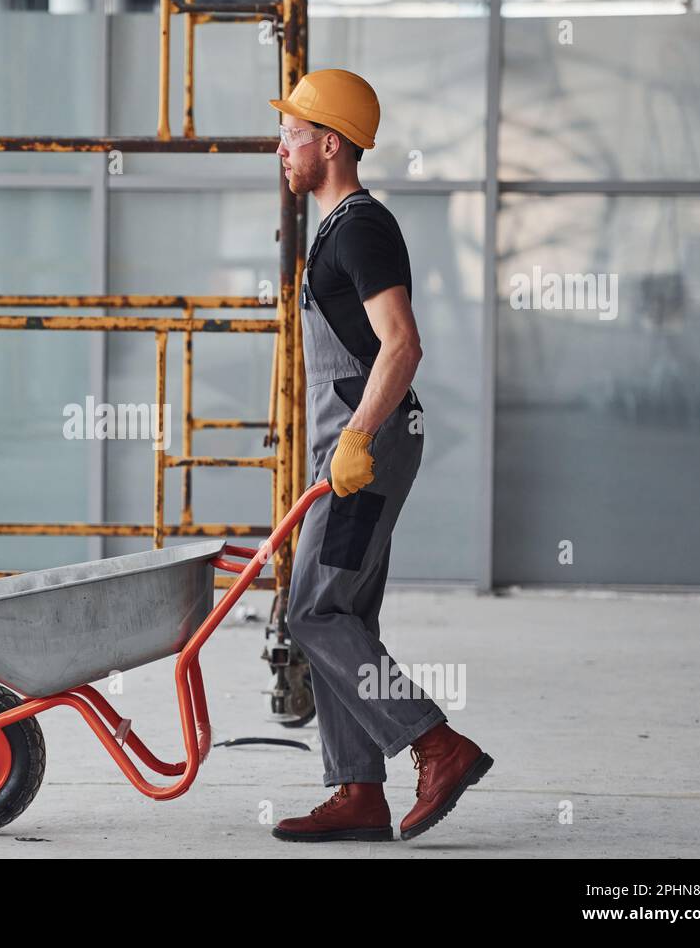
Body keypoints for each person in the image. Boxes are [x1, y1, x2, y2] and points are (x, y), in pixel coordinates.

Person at [267, 69, 493, 842]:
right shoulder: (335, 229)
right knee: (344, 611)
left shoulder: (360, 227)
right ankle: (359, 790)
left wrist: (357, 439)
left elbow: (403, 345)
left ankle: (437, 745)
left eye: (293, 135)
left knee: (314, 610)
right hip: (354, 442)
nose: (281, 148)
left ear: (330, 144)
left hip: (368, 444)